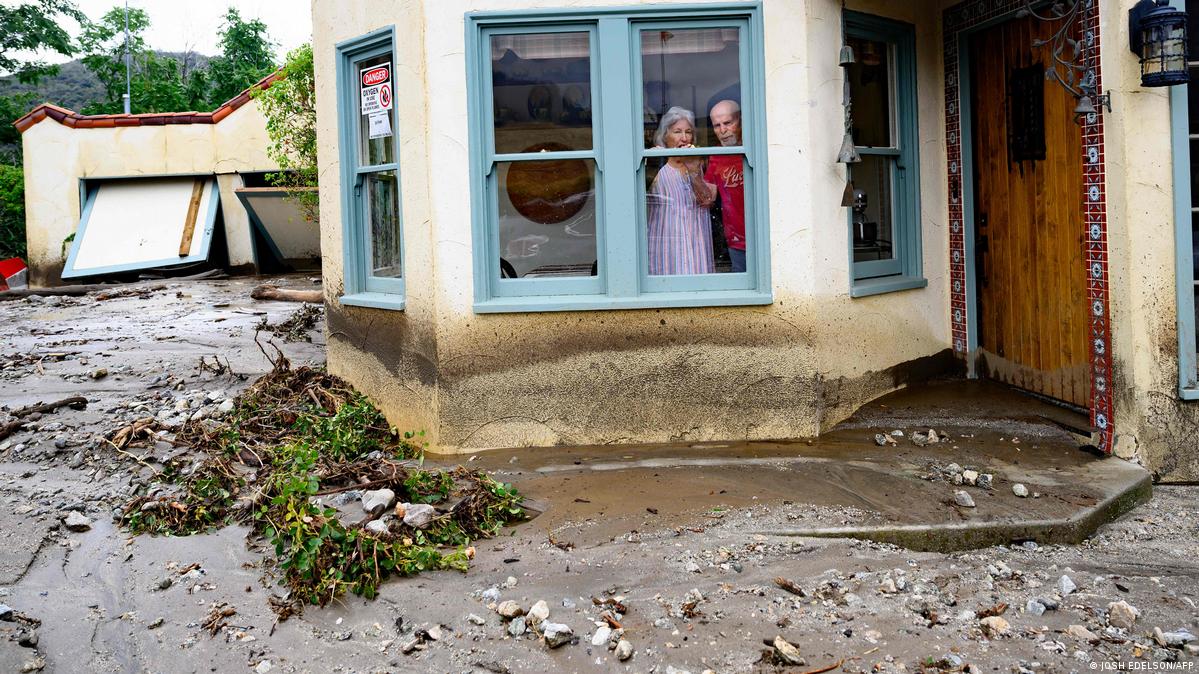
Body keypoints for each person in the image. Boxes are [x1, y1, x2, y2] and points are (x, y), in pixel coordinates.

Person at [647, 106, 716, 276]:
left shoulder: (699, 165)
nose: (684, 138)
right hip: (666, 242)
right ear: (665, 136)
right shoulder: (656, 166)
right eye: (677, 132)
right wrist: (652, 164)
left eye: (688, 132)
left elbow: (708, 201)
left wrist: (693, 171)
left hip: (696, 240)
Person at [704, 99, 747, 272]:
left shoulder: (756, 147)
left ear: (741, 120)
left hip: (767, 233)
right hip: (735, 238)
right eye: (717, 125)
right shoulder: (716, 155)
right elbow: (708, 198)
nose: (722, 131)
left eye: (728, 123)